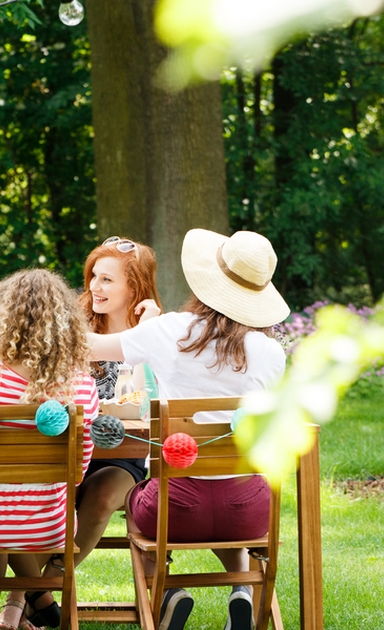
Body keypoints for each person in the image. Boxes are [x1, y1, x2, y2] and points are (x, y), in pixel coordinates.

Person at [87, 229, 290, 630]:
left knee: (136, 497)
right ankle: (243, 592)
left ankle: (166, 593)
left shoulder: (170, 330)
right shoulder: (272, 353)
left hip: (175, 511)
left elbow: (91, 346)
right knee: (224, 494)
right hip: (249, 513)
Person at [0, 269, 98, 630]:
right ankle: (38, 597)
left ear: (6, 318)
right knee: (11, 506)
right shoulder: (82, 387)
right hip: (49, 526)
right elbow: (79, 471)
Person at [14, 236, 164, 628]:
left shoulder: (158, 331)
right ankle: (35, 598)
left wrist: (150, 334)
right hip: (64, 449)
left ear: (135, 286)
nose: (95, 287)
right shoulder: (74, 324)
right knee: (27, 503)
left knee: (101, 498)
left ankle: (37, 591)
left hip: (121, 454)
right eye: (93, 277)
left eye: (107, 280)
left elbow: (154, 400)